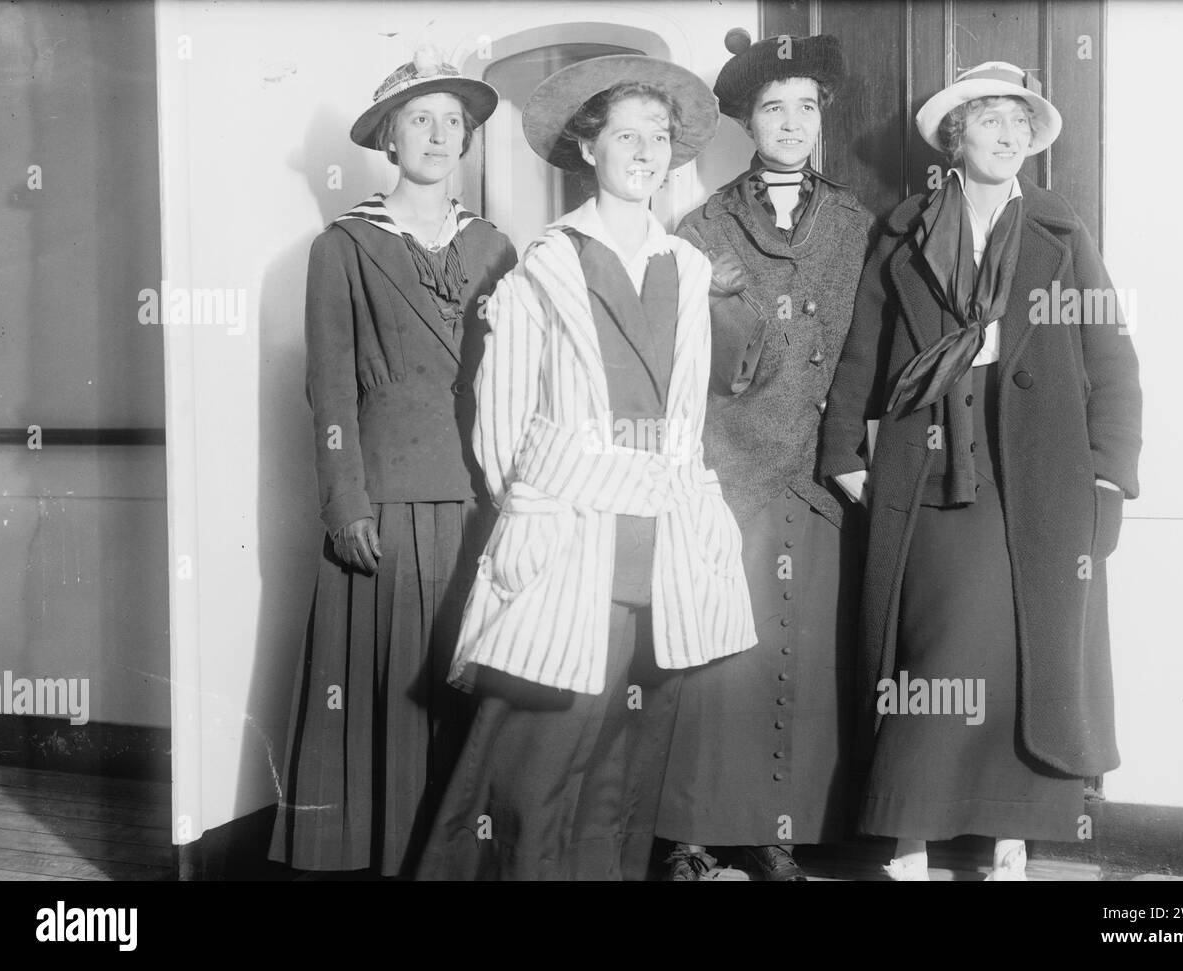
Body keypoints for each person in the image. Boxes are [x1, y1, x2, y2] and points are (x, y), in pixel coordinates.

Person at [417, 54, 756, 881]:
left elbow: (689, 422)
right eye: (626, 135)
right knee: (538, 760)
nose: (644, 151)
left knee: (625, 761)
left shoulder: (689, 268)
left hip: (665, 547)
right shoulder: (546, 264)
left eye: (659, 138)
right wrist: (556, 510)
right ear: (589, 148)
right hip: (572, 544)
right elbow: (500, 431)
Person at [820, 62, 1142, 880]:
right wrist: (843, 455)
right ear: (956, 140)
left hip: (1039, 480)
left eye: (1019, 124)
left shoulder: (1061, 235)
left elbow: (1111, 357)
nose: (1008, 136)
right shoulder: (902, 232)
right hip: (928, 470)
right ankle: (909, 839)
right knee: (938, 653)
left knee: (1023, 656)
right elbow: (863, 350)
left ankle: (1010, 840)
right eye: (991, 121)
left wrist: (1110, 472)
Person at [268, 49, 517, 878]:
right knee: (390, 692)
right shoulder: (342, 246)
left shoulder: (497, 246)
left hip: (483, 500)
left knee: (470, 690)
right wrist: (346, 504)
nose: (440, 134)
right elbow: (328, 390)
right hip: (388, 501)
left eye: (455, 120)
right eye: (421, 118)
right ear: (388, 138)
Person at [655, 29, 874, 882]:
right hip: (729, 468)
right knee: (720, 658)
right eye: (773, 107)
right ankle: (694, 836)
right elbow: (679, 357)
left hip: (816, 472)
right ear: (747, 120)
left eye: (805, 107)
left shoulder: (856, 222)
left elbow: (870, 352)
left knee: (802, 652)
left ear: (822, 118)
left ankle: (778, 833)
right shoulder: (702, 224)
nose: (791, 121)